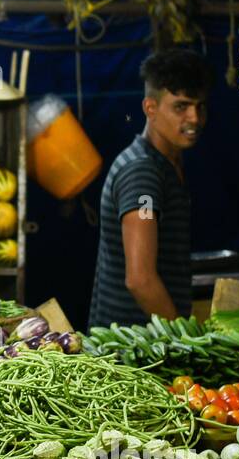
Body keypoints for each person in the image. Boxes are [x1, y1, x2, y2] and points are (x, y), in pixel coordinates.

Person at [89, 49, 211, 328]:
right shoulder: (142, 173)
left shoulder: (165, 166)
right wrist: (185, 342)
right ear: (150, 108)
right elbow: (140, 280)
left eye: (200, 106)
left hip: (149, 344)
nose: (194, 117)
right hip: (130, 356)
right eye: (181, 107)